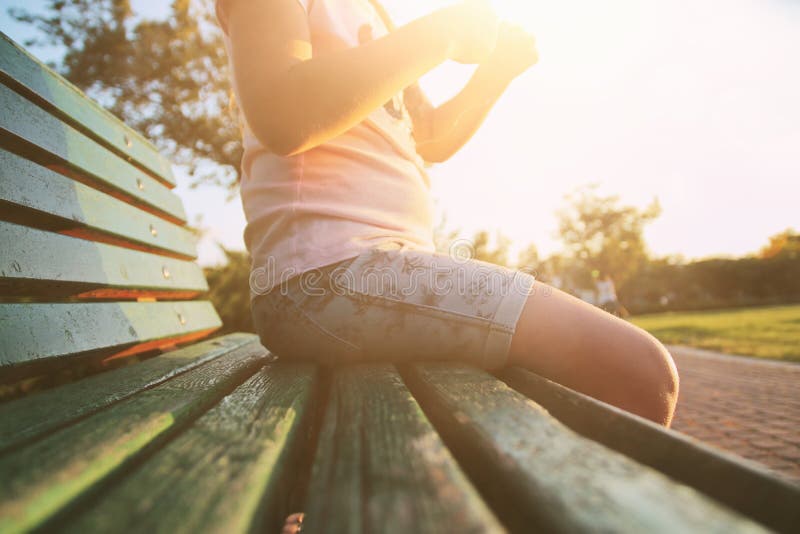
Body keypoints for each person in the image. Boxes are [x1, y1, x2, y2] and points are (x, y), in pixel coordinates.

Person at [215, 0, 678, 426]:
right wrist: (442, 34)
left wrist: (496, 71)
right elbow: (282, 113)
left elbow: (430, 136)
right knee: (639, 372)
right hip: (322, 275)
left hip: (376, 271)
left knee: (621, 373)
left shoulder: (374, 11)